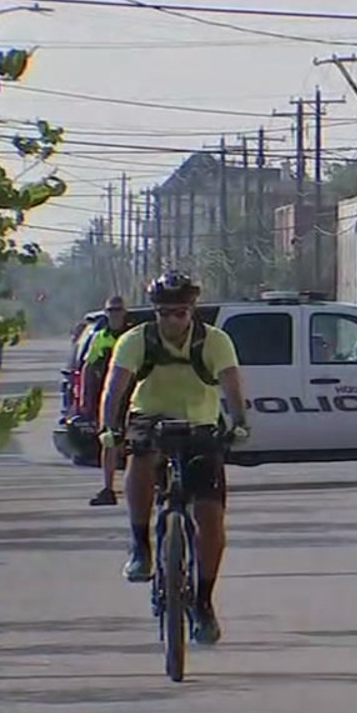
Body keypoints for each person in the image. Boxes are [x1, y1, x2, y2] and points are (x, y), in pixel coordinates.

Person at [97, 272, 250, 645]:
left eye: (180, 313)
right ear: (155, 313)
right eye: (165, 313)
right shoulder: (137, 340)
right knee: (142, 455)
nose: (172, 321)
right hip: (150, 417)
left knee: (211, 520)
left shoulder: (214, 342)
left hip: (200, 424)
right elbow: (115, 386)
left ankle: (203, 603)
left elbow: (231, 385)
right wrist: (107, 428)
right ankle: (141, 546)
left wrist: (240, 423)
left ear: (192, 311)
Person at [86, 295, 132, 506]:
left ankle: (141, 485)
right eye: (110, 310)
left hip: (133, 395)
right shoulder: (101, 337)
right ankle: (108, 487)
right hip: (109, 395)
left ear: (124, 312)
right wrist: (86, 400)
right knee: (109, 440)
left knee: (138, 443)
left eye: (117, 310)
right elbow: (89, 368)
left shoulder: (132, 336)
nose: (114, 314)